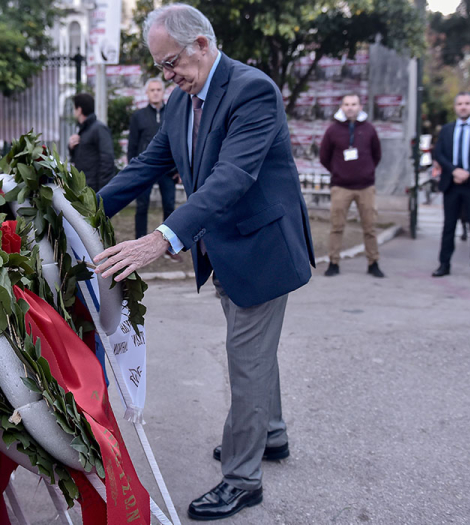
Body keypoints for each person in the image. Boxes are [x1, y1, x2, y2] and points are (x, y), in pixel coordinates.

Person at [92, 4, 315, 520]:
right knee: (253, 353)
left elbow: (232, 176)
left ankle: (242, 480)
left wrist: (165, 237)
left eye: (172, 63)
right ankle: (272, 436)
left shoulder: (252, 90)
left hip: (261, 251)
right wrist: (83, 208)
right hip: (225, 250)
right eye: (160, 67)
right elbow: (147, 165)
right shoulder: (178, 103)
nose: (167, 75)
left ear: (202, 45)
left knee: (246, 359)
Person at [318, 93, 384, 278]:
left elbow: (376, 155)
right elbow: (324, 157)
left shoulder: (369, 129)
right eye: (346, 104)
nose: (350, 107)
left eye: (354, 104)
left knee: (370, 227)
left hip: (366, 187)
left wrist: (366, 171)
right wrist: (339, 171)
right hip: (341, 187)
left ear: (360, 107)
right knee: (336, 227)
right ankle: (333, 262)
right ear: (341, 107)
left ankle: (373, 262)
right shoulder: (332, 130)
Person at [431, 92, 470, 282]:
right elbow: (439, 153)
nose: (463, 107)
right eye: (460, 104)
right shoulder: (447, 129)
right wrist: (454, 171)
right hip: (452, 184)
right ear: (455, 107)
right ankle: (444, 263)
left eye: (467, 103)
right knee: (448, 226)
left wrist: (468, 172)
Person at [128, 78, 181, 261]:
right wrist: (133, 170)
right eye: (152, 90)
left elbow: (180, 141)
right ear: (147, 93)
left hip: (168, 170)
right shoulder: (138, 116)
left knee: (169, 206)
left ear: (163, 92)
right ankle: (138, 244)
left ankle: (169, 248)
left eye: (159, 89)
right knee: (142, 207)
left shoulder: (173, 113)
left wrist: (180, 168)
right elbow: (132, 145)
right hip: (145, 170)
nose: (156, 92)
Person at [68, 93, 116, 192]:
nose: (73, 111)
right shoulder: (84, 130)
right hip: (84, 187)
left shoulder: (99, 129)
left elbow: (107, 159)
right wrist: (71, 147)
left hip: (95, 188)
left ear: (79, 110)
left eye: (74, 108)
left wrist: (103, 189)